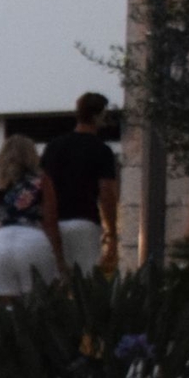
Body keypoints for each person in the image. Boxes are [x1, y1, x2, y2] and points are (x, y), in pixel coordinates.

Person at [0, 134, 58, 298]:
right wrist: (60, 261)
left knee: (2, 310)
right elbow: (50, 222)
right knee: (36, 305)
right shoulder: (41, 181)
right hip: (33, 240)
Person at [41, 92, 120, 273]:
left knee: (54, 282)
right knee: (85, 286)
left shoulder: (54, 146)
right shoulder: (101, 149)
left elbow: (42, 184)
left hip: (54, 224)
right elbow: (107, 192)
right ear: (96, 115)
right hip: (85, 222)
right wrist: (112, 232)